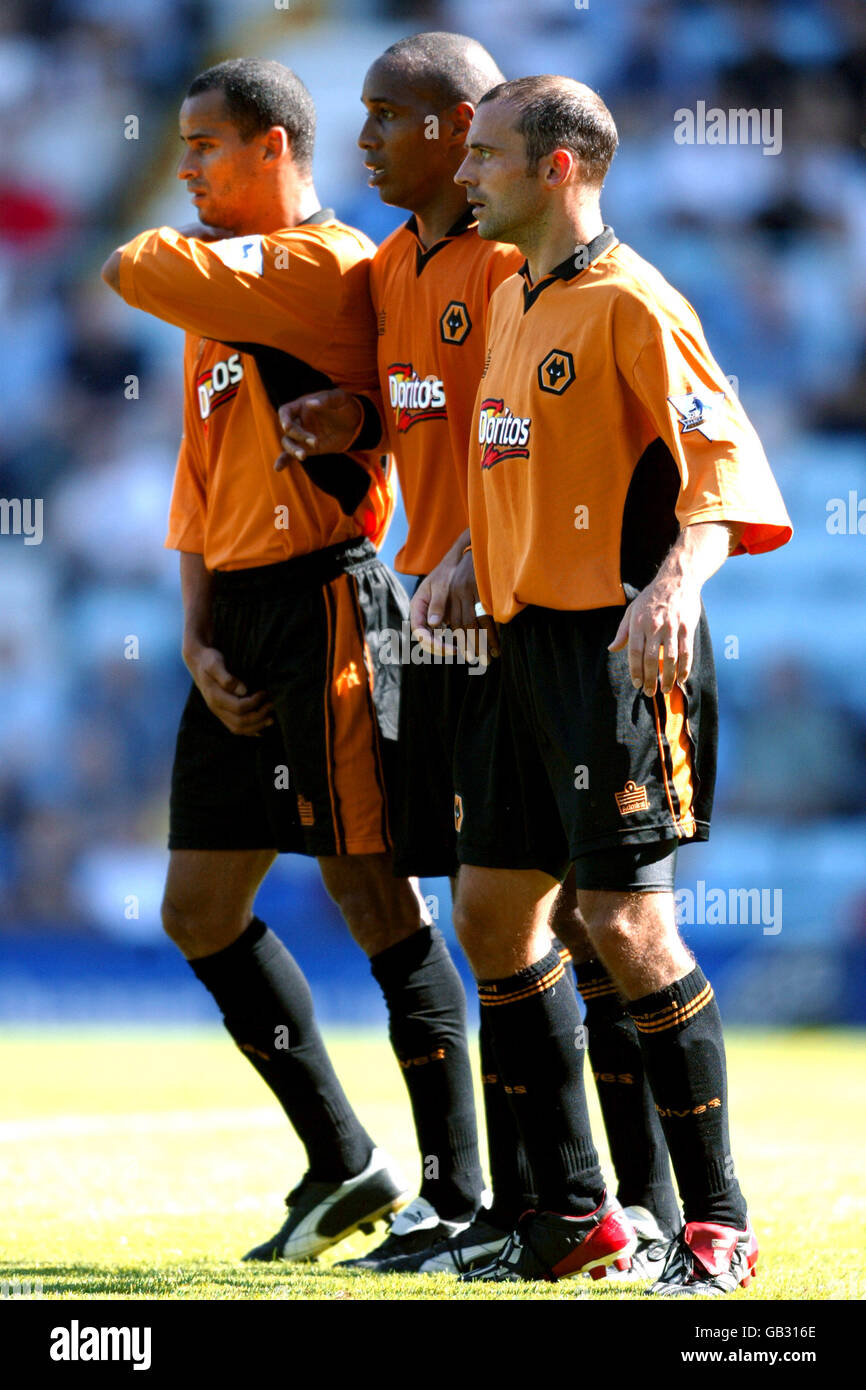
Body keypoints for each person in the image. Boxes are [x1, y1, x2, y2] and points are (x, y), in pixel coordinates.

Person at [277, 35, 679, 1279]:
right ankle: (508, 1201)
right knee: (495, 915)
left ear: (459, 132)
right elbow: (433, 425)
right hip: (438, 617)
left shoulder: (525, 266)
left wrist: (506, 560)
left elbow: (559, 451)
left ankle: (642, 1201)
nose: (363, 140)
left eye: (384, 117)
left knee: (588, 918)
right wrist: (355, 421)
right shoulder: (397, 266)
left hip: (525, 619)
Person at [101, 57, 486, 1263]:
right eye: (180, 147)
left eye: (203, 146)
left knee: (374, 894)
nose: (185, 169)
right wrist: (194, 628)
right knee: (197, 908)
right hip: (238, 618)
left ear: (273, 147)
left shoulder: (318, 267)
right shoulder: (224, 298)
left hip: (327, 603)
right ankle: (343, 1158)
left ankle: (457, 1192)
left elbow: (128, 264)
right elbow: (198, 479)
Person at [414, 74, 792, 1291]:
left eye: (483, 155)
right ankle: (576, 1213)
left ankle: (716, 1223)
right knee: (490, 915)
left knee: (625, 923)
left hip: (612, 652)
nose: (463, 174)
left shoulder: (634, 300)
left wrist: (675, 583)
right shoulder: (514, 293)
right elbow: (517, 464)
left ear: (558, 167)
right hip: (514, 645)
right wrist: (464, 556)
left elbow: (722, 465)